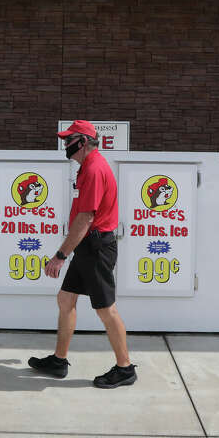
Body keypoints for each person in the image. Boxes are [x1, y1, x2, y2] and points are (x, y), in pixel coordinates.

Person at [28, 120, 137, 389]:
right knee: (66, 299)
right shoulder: (87, 167)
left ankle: (125, 368)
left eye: (69, 140)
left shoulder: (94, 169)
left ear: (83, 142)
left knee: (105, 309)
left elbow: (86, 217)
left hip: (97, 248)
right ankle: (59, 361)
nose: (65, 144)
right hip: (86, 246)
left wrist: (60, 256)